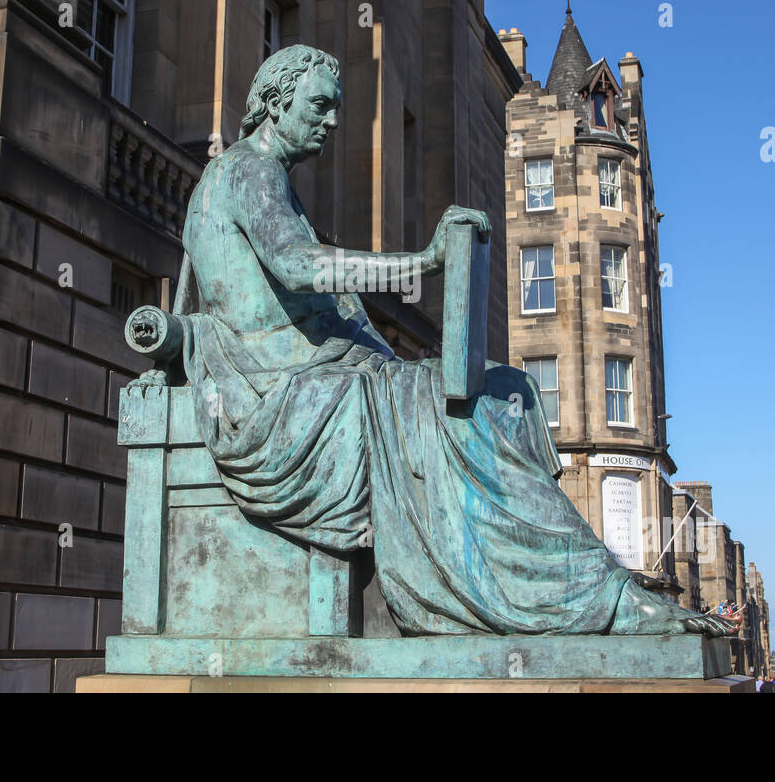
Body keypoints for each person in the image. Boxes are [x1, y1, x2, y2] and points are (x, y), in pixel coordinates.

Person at [176, 45, 739, 638]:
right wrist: (419, 264)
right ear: (274, 101)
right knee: (475, 404)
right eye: (319, 106)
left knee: (509, 386)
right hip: (280, 397)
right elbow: (297, 267)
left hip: (322, 382)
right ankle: (586, 600)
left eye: (336, 108)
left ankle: (583, 585)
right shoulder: (246, 169)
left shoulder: (268, 183)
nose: (333, 122)